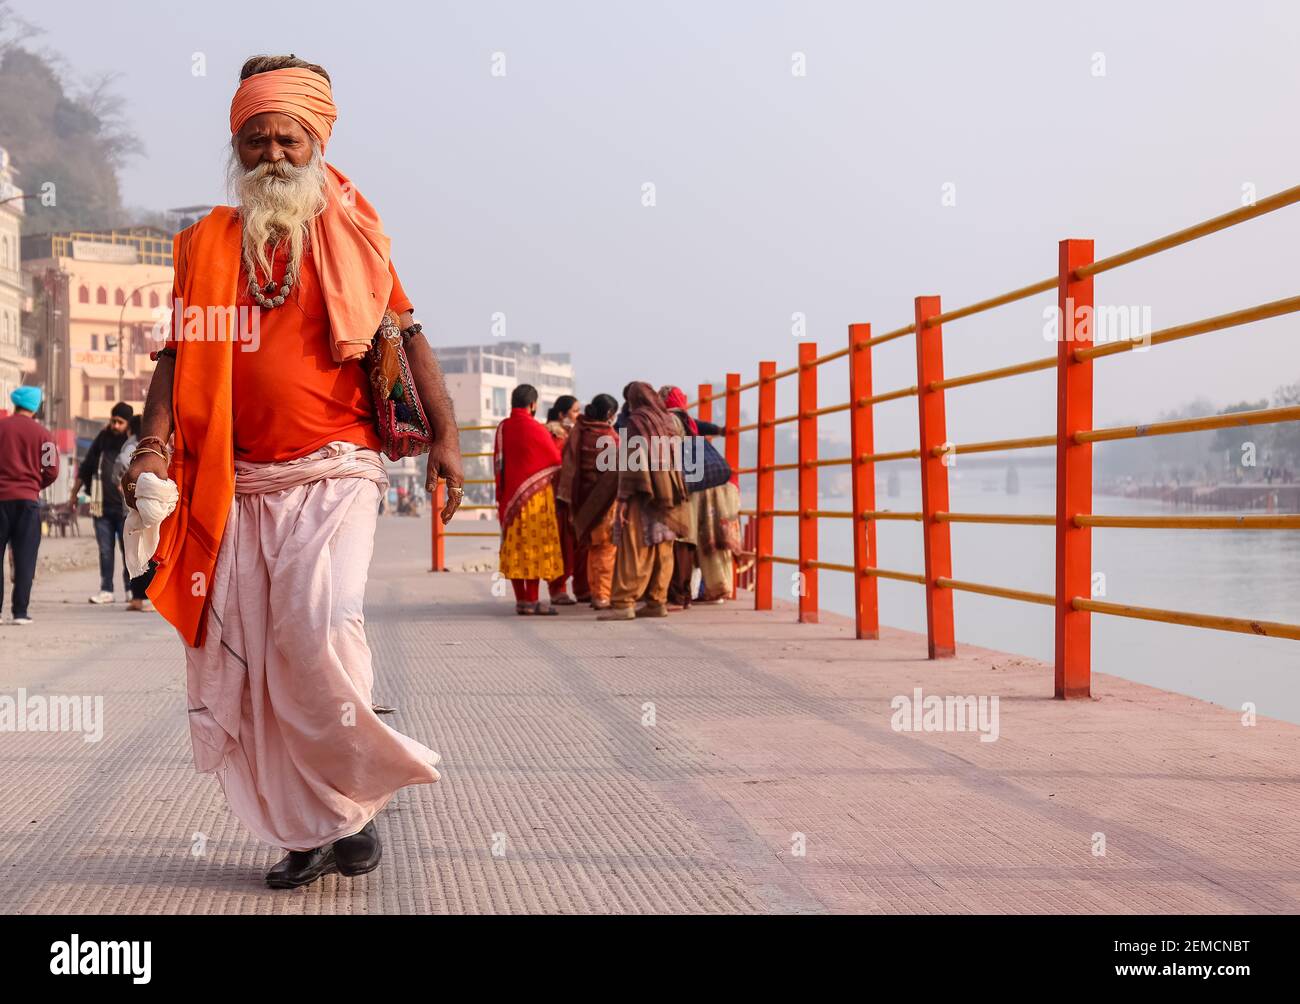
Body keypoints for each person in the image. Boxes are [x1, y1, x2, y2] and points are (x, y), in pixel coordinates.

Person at [121, 54, 465, 890]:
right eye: (256, 139)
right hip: (238, 480)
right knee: (258, 660)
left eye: (288, 137)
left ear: (316, 142)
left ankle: (358, 790)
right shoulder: (207, 245)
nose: (273, 153)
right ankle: (314, 831)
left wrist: (449, 441)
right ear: (238, 148)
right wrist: (153, 446)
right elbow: (175, 354)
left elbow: (408, 336)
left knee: (319, 624)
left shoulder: (354, 235)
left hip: (339, 466)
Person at [598, 381, 690, 620]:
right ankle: (657, 602)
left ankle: (623, 604)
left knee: (635, 548)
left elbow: (632, 463)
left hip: (644, 492)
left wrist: (623, 500)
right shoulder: (668, 421)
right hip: (671, 492)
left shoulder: (636, 422)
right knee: (664, 546)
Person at [659, 385, 740, 604]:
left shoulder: (666, 421)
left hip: (686, 486)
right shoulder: (687, 420)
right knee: (708, 539)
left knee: (686, 538)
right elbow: (702, 426)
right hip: (707, 485)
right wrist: (720, 430)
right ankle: (712, 588)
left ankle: (680, 591)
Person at [494, 383, 564, 615]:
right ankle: (533, 600)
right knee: (534, 546)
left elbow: (499, 464)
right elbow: (554, 459)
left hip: (509, 498)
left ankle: (521, 601)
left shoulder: (503, 427)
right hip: (535, 499)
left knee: (515, 547)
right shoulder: (536, 428)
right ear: (533, 404)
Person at [0, 386, 59, 625]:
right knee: (25, 557)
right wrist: (35, 485)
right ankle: (20, 612)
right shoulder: (44, 435)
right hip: (28, 502)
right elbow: (52, 470)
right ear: (35, 406)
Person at [555, 394, 619, 609]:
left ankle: (594, 592)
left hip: (581, 499)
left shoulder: (578, 431)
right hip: (604, 501)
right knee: (605, 550)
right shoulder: (609, 437)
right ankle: (602, 595)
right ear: (609, 415)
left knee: (592, 548)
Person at [79, 401, 133, 604]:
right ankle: (106, 590)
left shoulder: (132, 443)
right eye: (113, 421)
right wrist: (74, 495)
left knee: (128, 550)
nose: (115, 426)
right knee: (105, 550)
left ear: (128, 424)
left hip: (125, 508)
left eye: (120, 422)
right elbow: (86, 467)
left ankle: (131, 589)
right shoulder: (102, 439)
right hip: (102, 507)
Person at [111, 415, 157, 612]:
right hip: (152, 508)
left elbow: (118, 474)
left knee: (133, 552)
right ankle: (151, 598)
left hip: (131, 508)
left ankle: (138, 597)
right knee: (152, 551)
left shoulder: (128, 449)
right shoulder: (155, 447)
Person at [543, 394, 583, 604]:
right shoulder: (551, 434)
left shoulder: (572, 433)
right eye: (575, 411)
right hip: (554, 495)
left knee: (573, 542)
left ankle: (578, 588)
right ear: (562, 414)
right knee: (559, 542)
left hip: (570, 495)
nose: (578, 415)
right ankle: (557, 589)